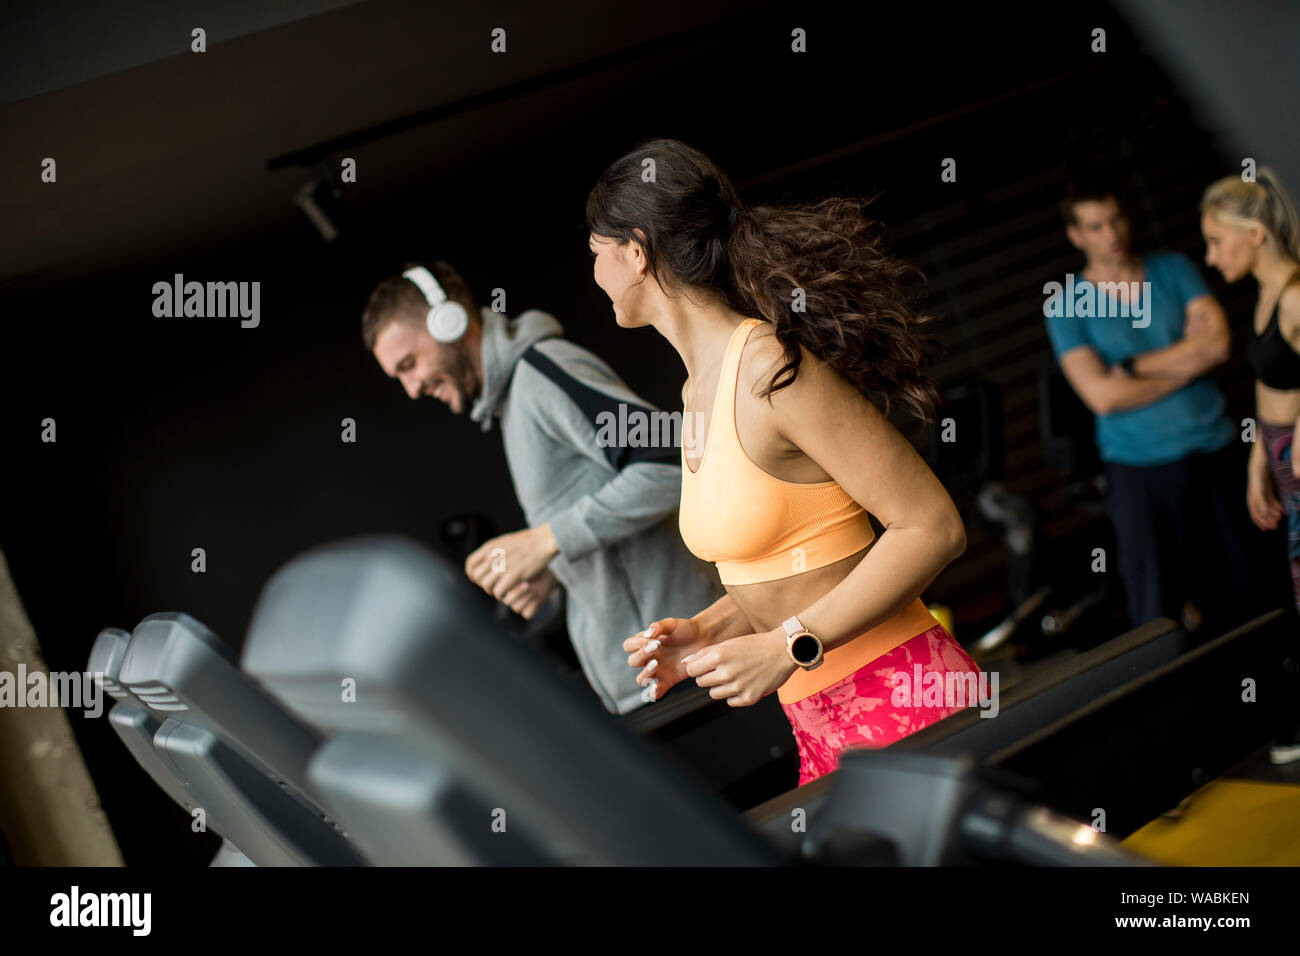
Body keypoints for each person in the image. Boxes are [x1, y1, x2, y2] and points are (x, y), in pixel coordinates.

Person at [593, 138, 981, 786]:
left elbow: (933, 527)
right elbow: (799, 555)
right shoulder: (697, 390)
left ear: (635, 253)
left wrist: (789, 643)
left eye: (595, 254)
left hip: (903, 698)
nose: (595, 274)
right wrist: (712, 628)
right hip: (814, 720)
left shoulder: (771, 369)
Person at [362, 261, 724, 715]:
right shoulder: (512, 403)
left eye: (410, 364)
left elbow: (674, 461)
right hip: (646, 686)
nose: (412, 389)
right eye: (400, 377)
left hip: (692, 669)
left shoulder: (541, 372)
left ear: (448, 321)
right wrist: (552, 569)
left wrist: (547, 539)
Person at [1044, 174, 1265, 638]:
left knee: (1251, 592)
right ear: (1076, 235)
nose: (1112, 234)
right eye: (1097, 226)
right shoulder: (1066, 306)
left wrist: (1134, 366)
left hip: (1216, 451)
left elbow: (1219, 345)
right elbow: (1102, 397)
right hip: (1138, 470)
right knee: (1157, 616)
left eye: (1117, 219)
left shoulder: (1175, 269)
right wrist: (1189, 359)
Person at [1200, 169, 1300, 616]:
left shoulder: (1295, 296)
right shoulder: (1265, 297)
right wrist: (1259, 459)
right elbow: (1271, 376)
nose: (1211, 256)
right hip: (1281, 456)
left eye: (1217, 241)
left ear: (1255, 233)